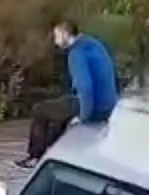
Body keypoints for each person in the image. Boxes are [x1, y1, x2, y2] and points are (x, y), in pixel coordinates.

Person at [15, 19, 119, 169]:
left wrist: (83, 117)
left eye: (57, 37)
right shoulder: (94, 44)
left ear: (65, 34)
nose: (56, 42)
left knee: (40, 110)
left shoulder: (76, 54)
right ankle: (54, 153)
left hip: (93, 105)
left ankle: (35, 157)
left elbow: (86, 87)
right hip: (108, 105)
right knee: (59, 114)